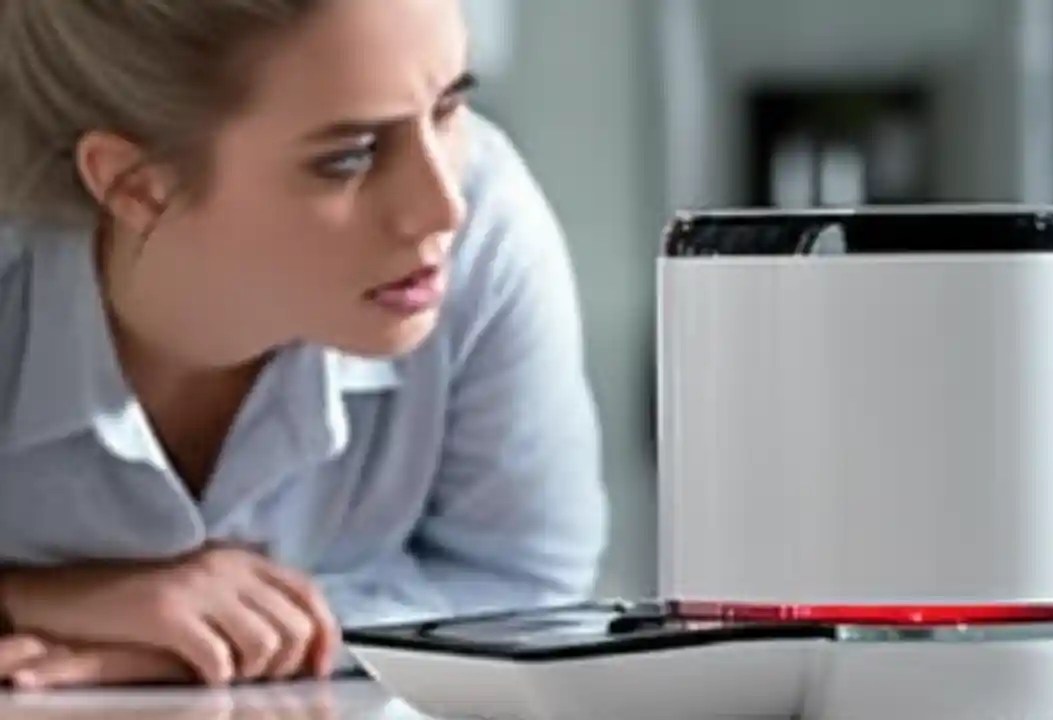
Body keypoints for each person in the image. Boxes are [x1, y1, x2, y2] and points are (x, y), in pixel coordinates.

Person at [0, 0, 607, 690]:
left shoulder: (488, 228)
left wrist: (193, 646)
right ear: (135, 184)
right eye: (349, 158)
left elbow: (533, 586)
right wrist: (32, 599)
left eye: (448, 108)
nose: (443, 207)